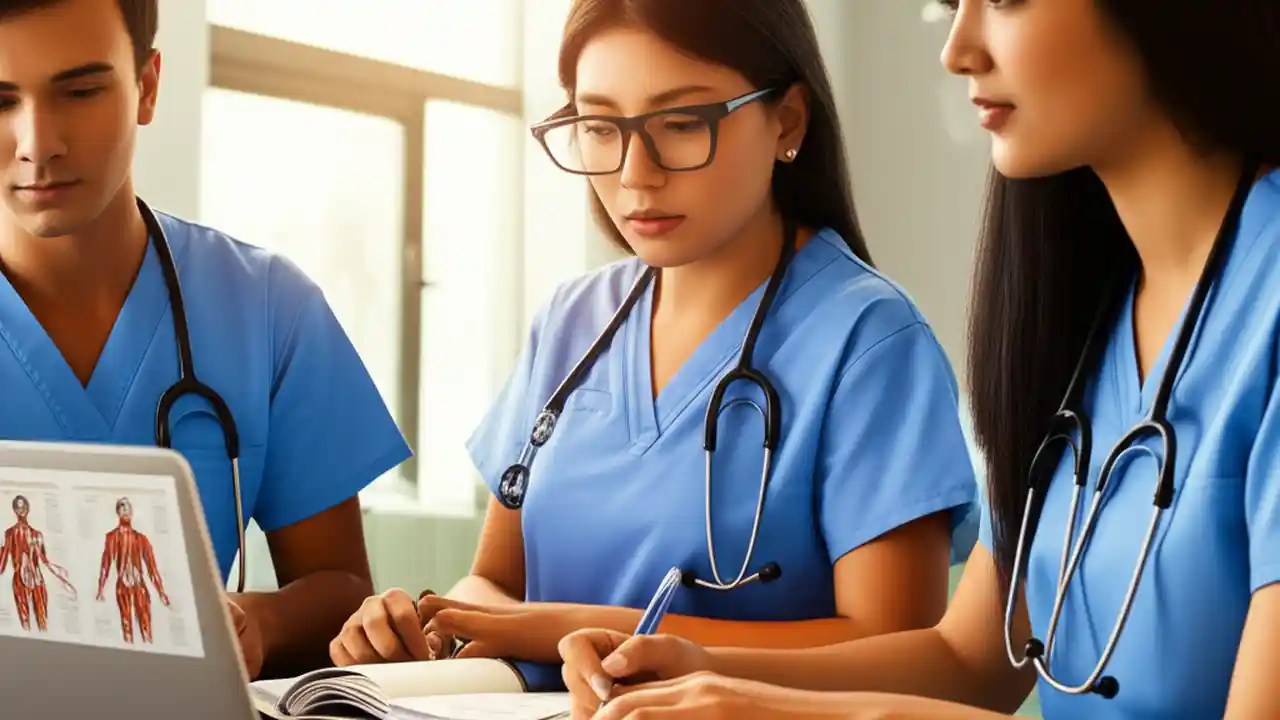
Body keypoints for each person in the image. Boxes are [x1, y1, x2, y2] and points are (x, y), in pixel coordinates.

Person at [556, 0, 1280, 718]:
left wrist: (815, 716)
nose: (958, 50)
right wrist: (710, 673)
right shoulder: (1085, 308)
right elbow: (968, 662)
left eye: (1000, 1)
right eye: (949, 6)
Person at [331, 0, 976, 690]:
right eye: (601, 127)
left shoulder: (869, 340)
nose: (636, 173)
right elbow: (494, 583)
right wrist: (432, 626)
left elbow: (898, 652)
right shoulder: (573, 322)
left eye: (681, 123)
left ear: (787, 120)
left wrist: (566, 626)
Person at [0, 0, 411, 679]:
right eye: (0, 100)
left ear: (148, 87)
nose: (37, 143)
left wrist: (259, 622)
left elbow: (342, 589)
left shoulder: (270, 308)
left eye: (79, 91)